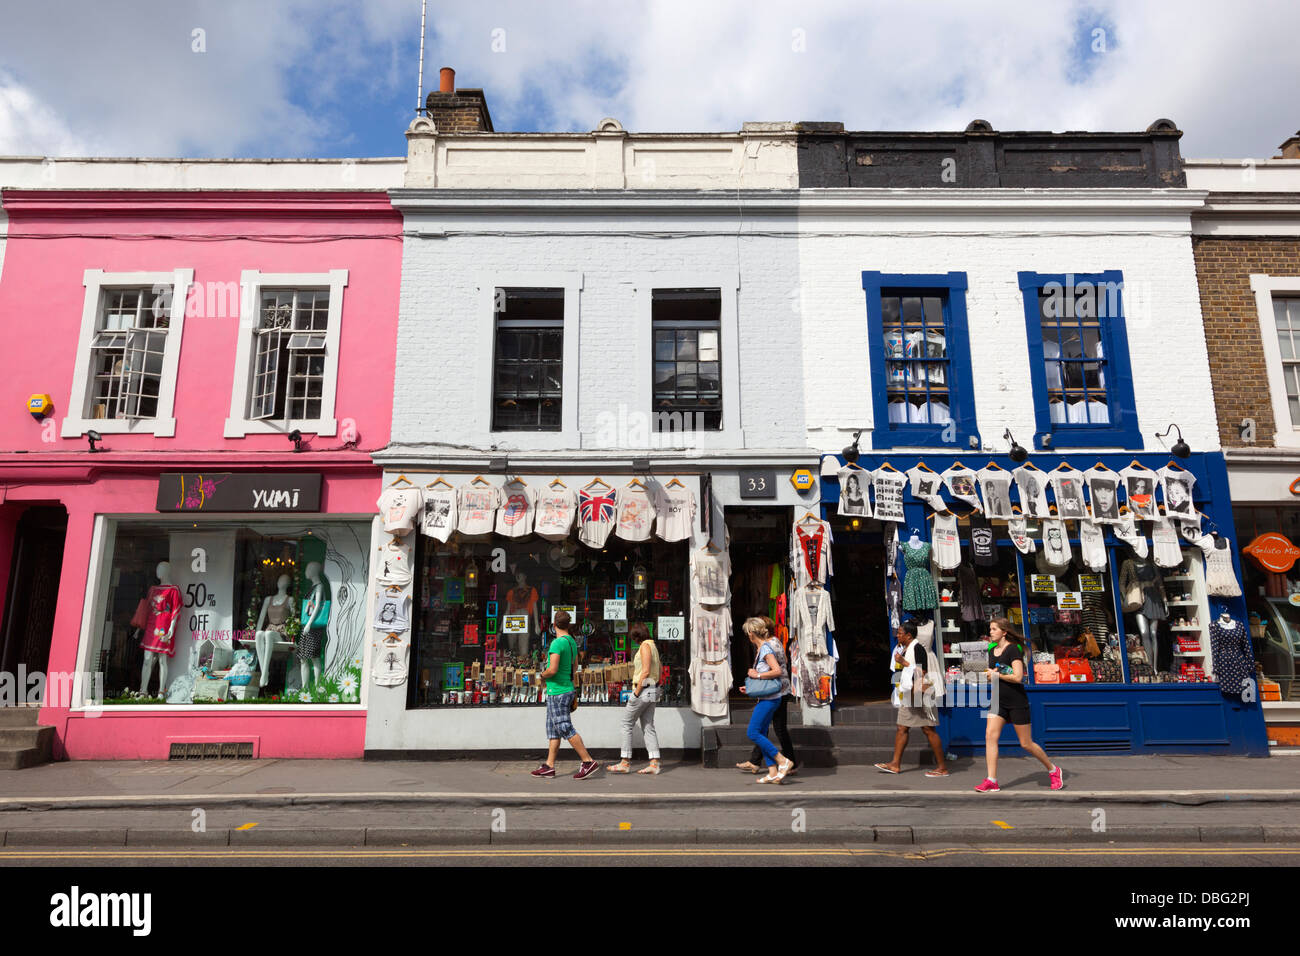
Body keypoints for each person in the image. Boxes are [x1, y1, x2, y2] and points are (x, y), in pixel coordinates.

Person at [976, 617, 1063, 792]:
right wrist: (991, 674)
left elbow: (1018, 677)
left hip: (1016, 701)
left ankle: (1054, 770)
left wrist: (997, 675)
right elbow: (997, 672)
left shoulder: (1013, 650)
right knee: (990, 736)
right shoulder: (993, 651)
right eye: (990, 629)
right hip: (997, 700)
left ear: (1004, 632)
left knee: (1026, 743)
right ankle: (991, 779)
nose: (990, 632)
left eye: (994, 629)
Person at [531, 610, 600, 779]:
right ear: (568, 625)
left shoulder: (556, 644)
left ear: (554, 625)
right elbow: (575, 667)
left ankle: (587, 761)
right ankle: (549, 766)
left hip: (558, 692)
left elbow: (552, 669)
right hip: (567, 688)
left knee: (564, 727)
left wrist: (542, 674)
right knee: (554, 729)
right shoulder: (571, 642)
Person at [875, 621, 949, 777]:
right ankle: (895, 764)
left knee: (929, 729)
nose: (897, 635)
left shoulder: (917, 648)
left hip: (921, 694)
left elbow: (922, 672)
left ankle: (942, 768)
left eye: (900, 633)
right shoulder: (906, 648)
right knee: (902, 727)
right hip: (910, 694)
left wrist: (903, 662)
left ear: (908, 635)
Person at [736, 616, 797, 776]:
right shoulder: (768, 645)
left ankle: (784, 761)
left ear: (752, 633)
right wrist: (752, 686)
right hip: (772, 692)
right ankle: (770, 770)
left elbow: (776, 670)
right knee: (763, 730)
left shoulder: (767, 647)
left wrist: (755, 676)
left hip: (774, 694)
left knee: (758, 731)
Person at [608, 623, 662, 775]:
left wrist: (636, 693)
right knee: (648, 725)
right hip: (653, 687)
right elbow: (660, 668)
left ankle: (625, 761)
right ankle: (654, 762)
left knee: (626, 723)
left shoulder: (645, 646)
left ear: (637, 636)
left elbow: (644, 671)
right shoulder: (653, 646)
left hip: (644, 688)